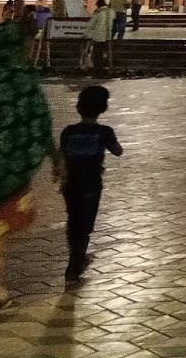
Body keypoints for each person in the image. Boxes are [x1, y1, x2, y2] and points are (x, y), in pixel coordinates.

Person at [0, 19, 52, 320]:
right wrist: (56, 160)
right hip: (1, 174)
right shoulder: (21, 80)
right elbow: (39, 124)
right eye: (28, 44)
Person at [54, 84, 123, 284]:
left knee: (74, 219)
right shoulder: (104, 132)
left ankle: (76, 258)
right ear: (103, 108)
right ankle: (74, 266)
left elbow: (62, 154)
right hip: (91, 183)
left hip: (70, 184)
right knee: (85, 223)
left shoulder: (68, 131)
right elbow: (118, 151)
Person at [81, 0, 114, 74]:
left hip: (97, 36)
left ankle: (97, 69)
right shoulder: (110, 11)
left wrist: (85, 34)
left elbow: (91, 25)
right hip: (106, 36)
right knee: (102, 53)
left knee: (97, 54)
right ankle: (101, 69)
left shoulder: (98, 13)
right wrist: (109, 36)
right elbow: (110, 24)